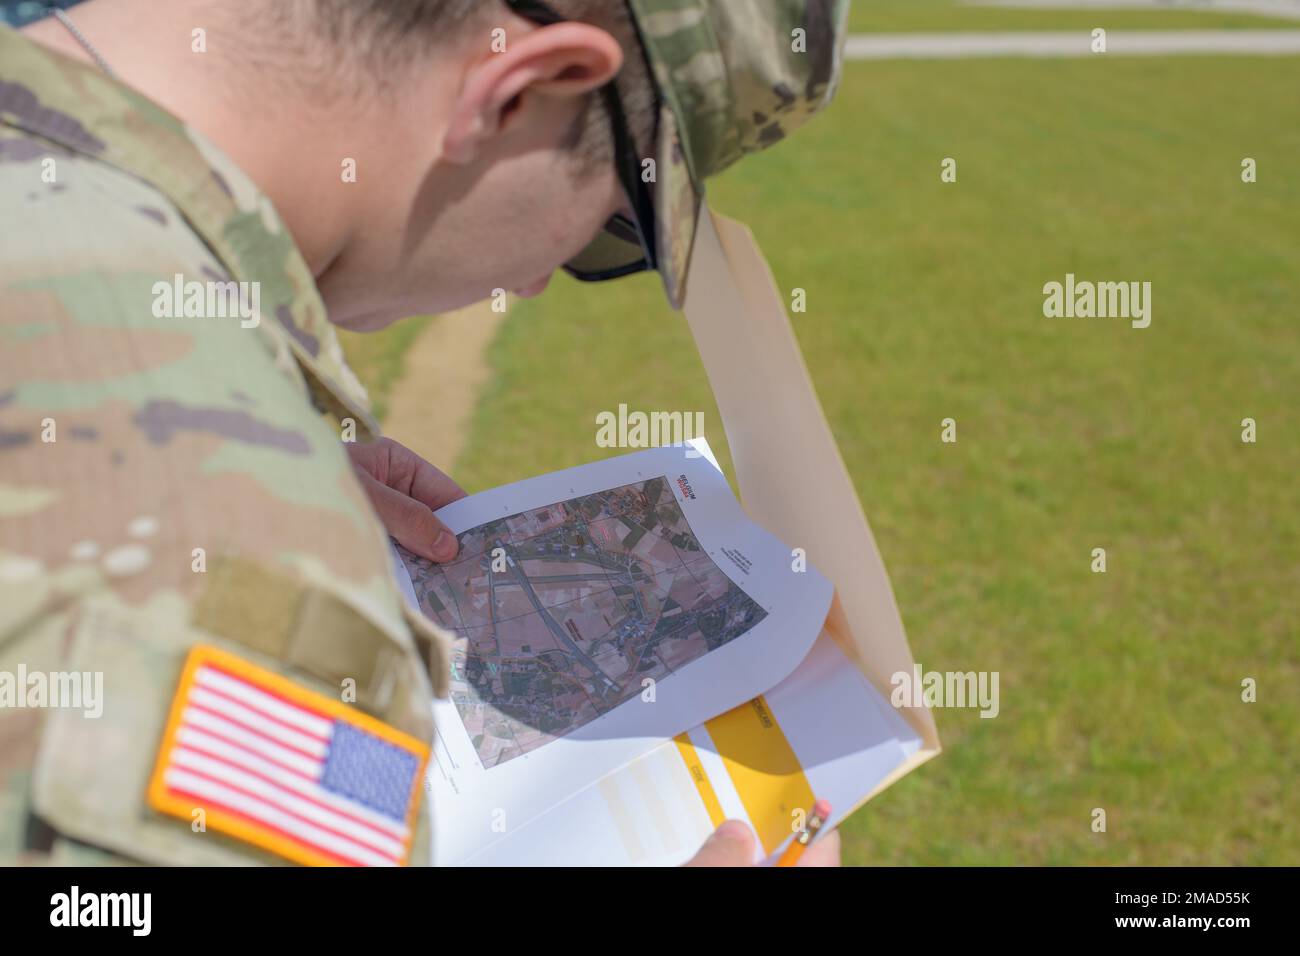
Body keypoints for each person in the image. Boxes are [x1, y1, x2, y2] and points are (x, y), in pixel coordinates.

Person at [0, 0, 846, 866]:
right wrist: (248, 501)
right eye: (608, 228)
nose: (535, 283)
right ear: (518, 93)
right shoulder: (226, 537)